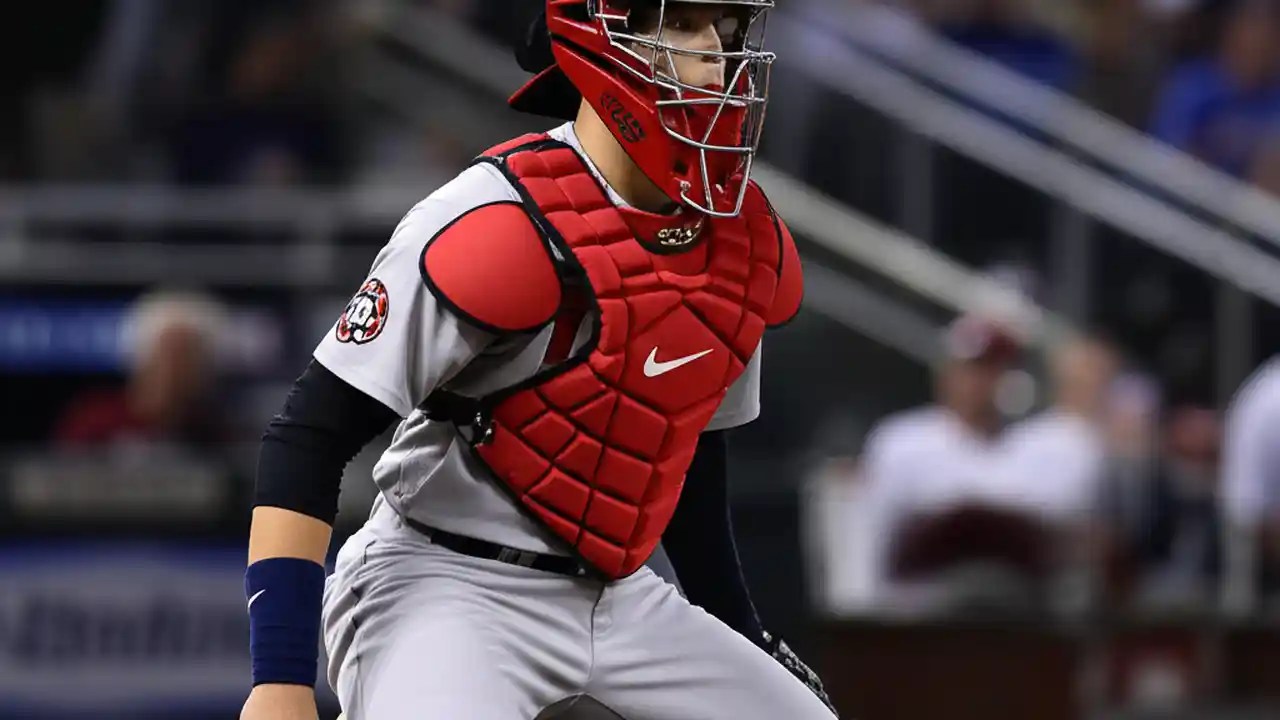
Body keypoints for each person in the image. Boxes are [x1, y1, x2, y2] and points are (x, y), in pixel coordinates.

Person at [239, 2, 835, 719]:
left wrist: (742, 632)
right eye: (682, 24)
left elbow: (688, 462)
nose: (717, 52)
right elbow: (305, 440)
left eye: (729, 31)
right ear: (597, 40)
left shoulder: (743, 242)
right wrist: (278, 681)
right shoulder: (497, 219)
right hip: (446, 579)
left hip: (620, 592)